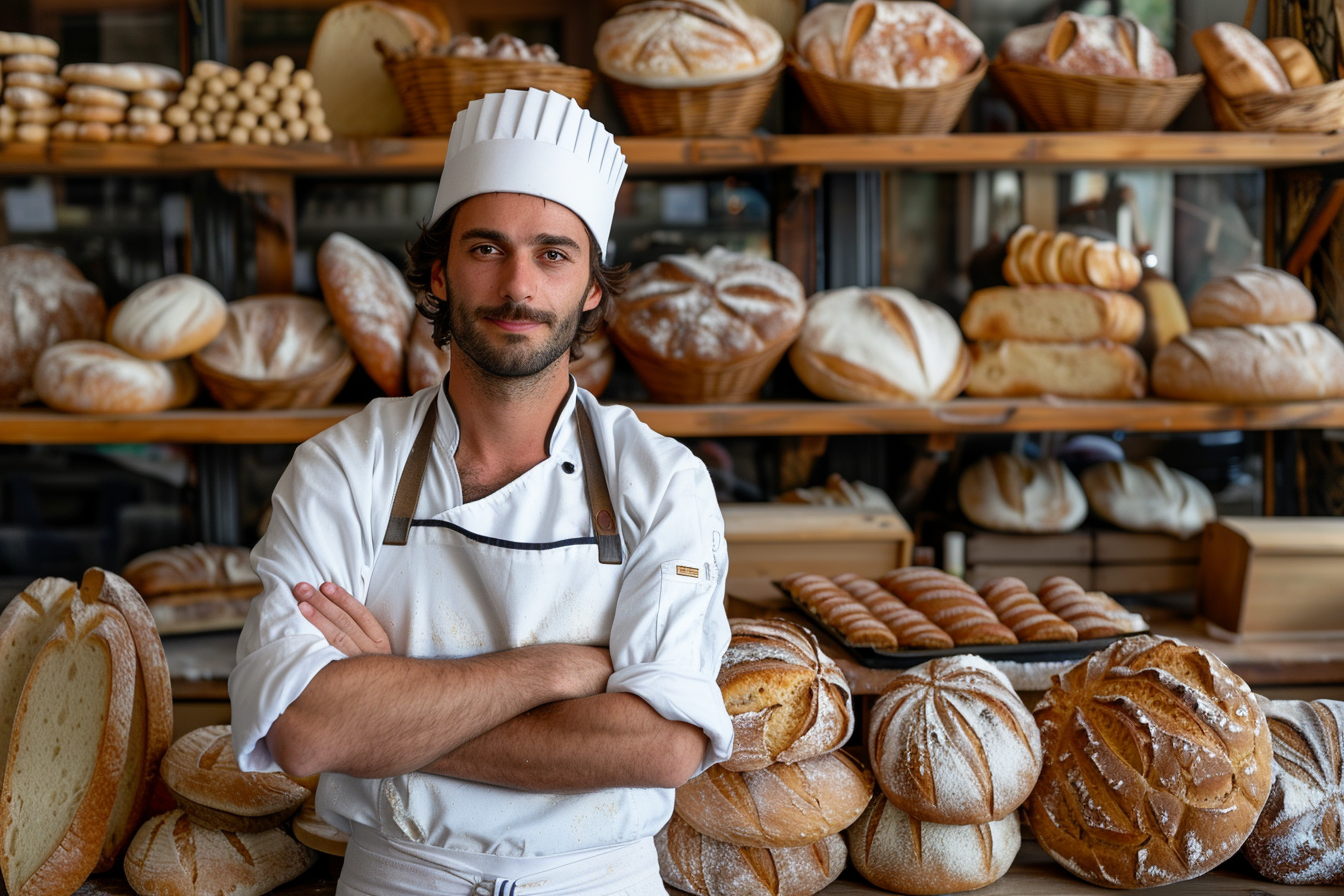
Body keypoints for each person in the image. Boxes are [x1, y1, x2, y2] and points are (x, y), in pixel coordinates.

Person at [229, 89, 733, 896]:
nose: (518, 287)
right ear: (439, 270)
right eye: (487, 249)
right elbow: (304, 729)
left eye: (555, 254)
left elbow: (664, 749)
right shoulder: (344, 465)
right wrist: (551, 672)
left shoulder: (660, 481)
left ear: (593, 289)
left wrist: (394, 702)